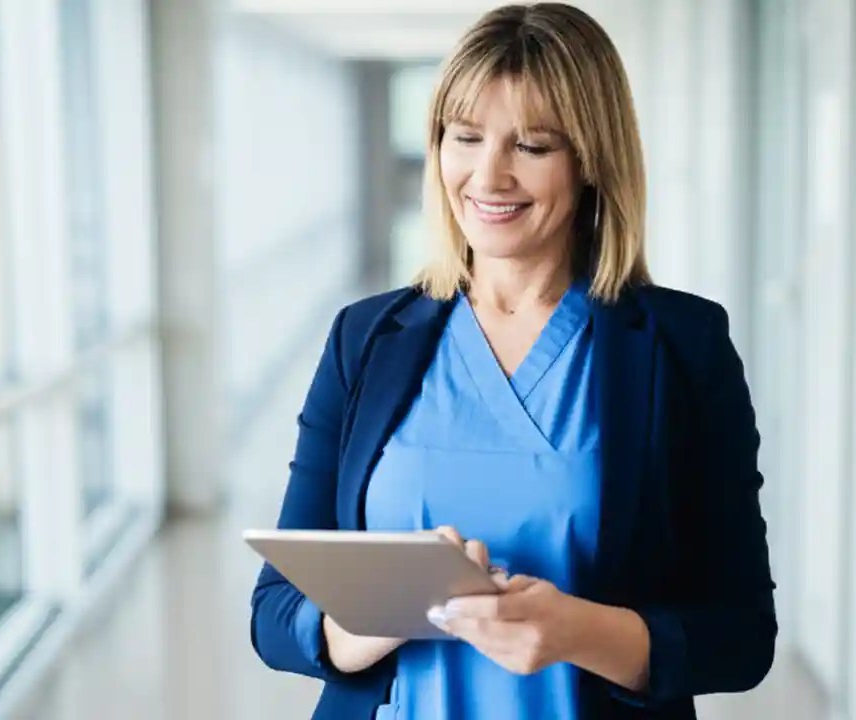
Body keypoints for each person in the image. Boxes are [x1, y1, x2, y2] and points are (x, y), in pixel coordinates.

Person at [249, 3, 777, 718]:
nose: (488, 175)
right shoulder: (366, 340)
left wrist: (584, 633)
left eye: (532, 146)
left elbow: (743, 636)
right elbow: (275, 612)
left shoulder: (683, 347)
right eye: (464, 137)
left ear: (592, 158)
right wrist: (364, 622)